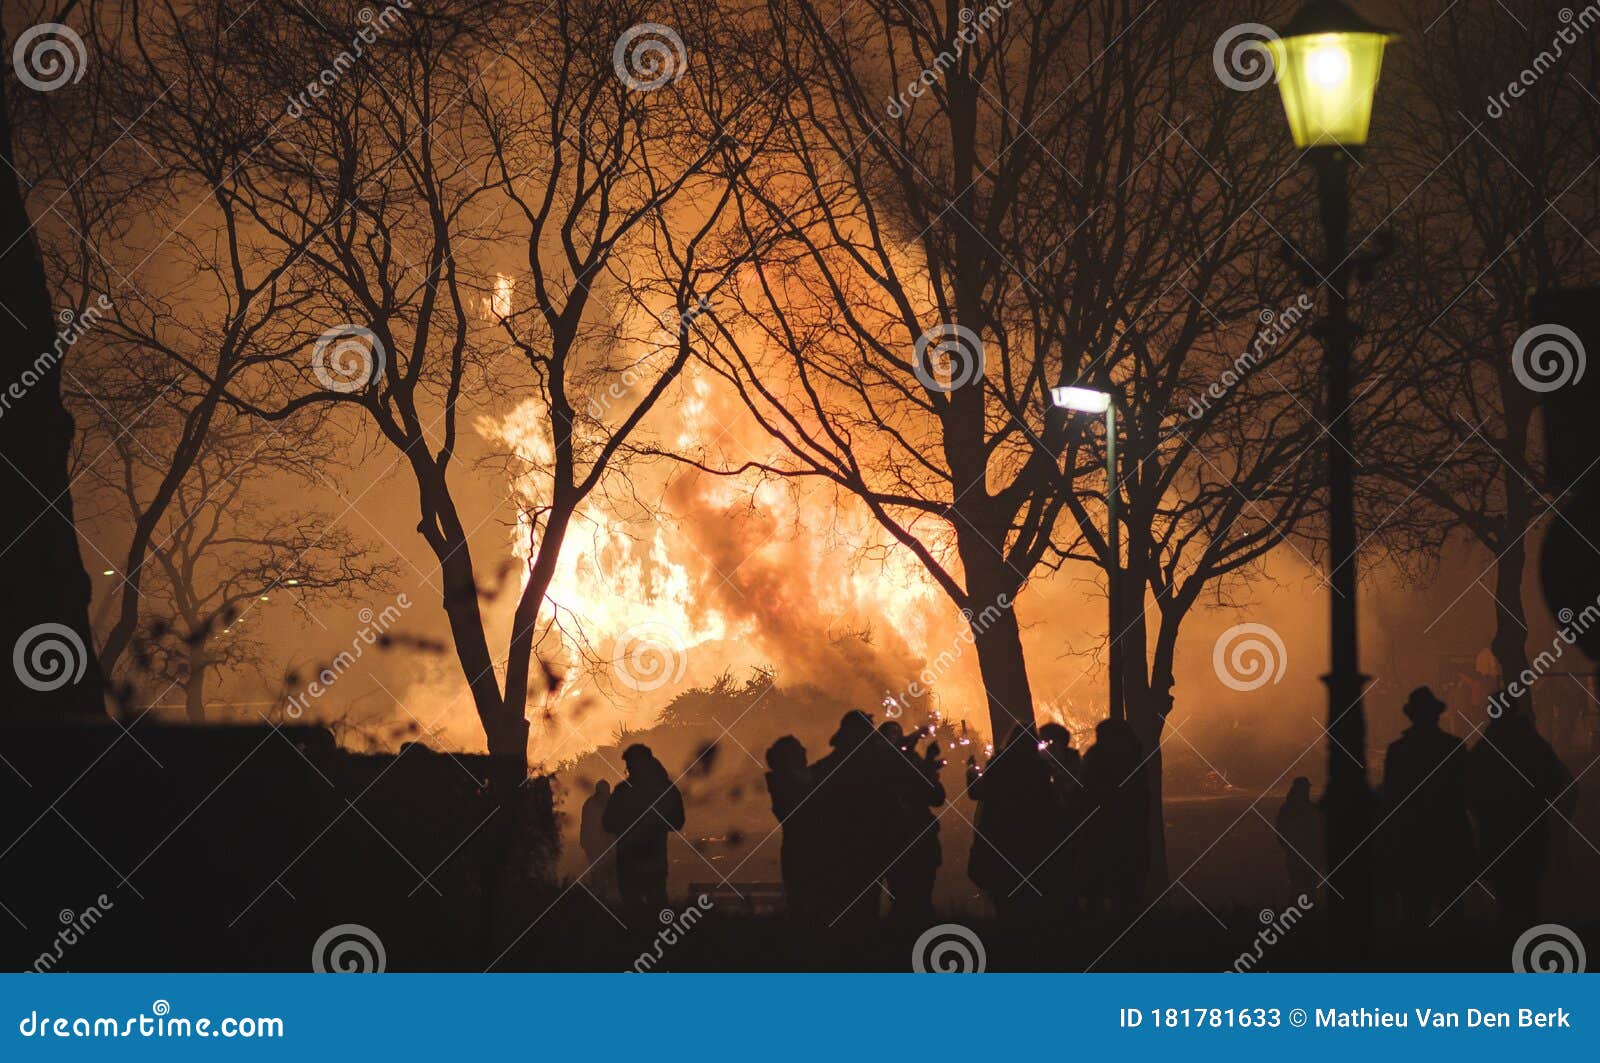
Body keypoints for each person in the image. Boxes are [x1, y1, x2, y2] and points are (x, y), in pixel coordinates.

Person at [1467, 702, 1576, 926]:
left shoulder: (1486, 746)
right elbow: (1555, 780)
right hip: (1530, 827)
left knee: (1506, 891)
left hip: (1498, 830)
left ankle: (1510, 937)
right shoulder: (1533, 743)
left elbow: (1469, 787)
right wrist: (1535, 801)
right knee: (1527, 890)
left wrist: (1485, 812)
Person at [1380, 687, 1474, 924]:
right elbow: (1466, 794)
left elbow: (1390, 800)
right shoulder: (1453, 748)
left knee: (1414, 910)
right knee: (1451, 909)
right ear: (1436, 715)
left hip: (1411, 841)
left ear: (1411, 716)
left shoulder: (1398, 751)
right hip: (1447, 838)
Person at [808, 710, 890, 930]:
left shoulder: (827, 767)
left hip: (848, 851)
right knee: (859, 910)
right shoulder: (874, 768)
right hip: (856, 850)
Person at [967, 724, 1054, 918]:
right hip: (1032, 843)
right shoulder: (1040, 769)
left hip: (1001, 840)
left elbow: (978, 793)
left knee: (1004, 900)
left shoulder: (999, 765)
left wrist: (972, 774)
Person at [602, 744, 685, 914]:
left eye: (630, 766)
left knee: (635, 911)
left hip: (632, 863)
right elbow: (677, 822)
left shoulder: (623, 791)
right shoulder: (666, 789)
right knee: (656, 910)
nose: (629, 770)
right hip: (651, 863)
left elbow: (608, 823)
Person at [880, 723, 946, 924]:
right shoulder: (881, 761)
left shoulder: (913, 760)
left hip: (922, 838)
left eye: (899, 734)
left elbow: (936, 797)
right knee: (902, 896)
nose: (897, 738)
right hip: (897, 839)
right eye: (891, 734)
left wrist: (930, 766)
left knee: (922, 896)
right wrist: (916, 737)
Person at [1082, 718, 1149, 915]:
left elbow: (1085, 795)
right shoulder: (1135, 760)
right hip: (1129, 839)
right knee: (1127, 899)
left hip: (1101, 837)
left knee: (1098, 898)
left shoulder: (1094, 759)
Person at [764, 735, 819, 920]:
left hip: (797, 851)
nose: (805, 751)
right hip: (803, 852)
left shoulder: (781, 781)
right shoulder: (786, 783)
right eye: (799, 749)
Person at [1039, 723, 1087, 914]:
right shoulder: (1041, 766)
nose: (1045, 746)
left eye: (1048, 741)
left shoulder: (1076, 765)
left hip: (1070, 834)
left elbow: (1078, 798)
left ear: (1060, 743)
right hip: (1047, 837)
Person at [1274, 776, 1323, 902]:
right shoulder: (1306, 809)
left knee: (1304, 889)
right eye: (1305, 789)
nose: (1307, 791)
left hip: (1304, 856)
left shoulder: (1288, 809)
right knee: (1303, 888)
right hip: (1301, 856)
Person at [579, 779, 618, 901]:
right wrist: (585, 842)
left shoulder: (611, 803)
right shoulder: (590, 804)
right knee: (597, 877)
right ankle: (599, 902)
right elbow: (585, 825)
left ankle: (609, 903)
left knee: (611, 877)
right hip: (595, 846)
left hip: (609, 845)